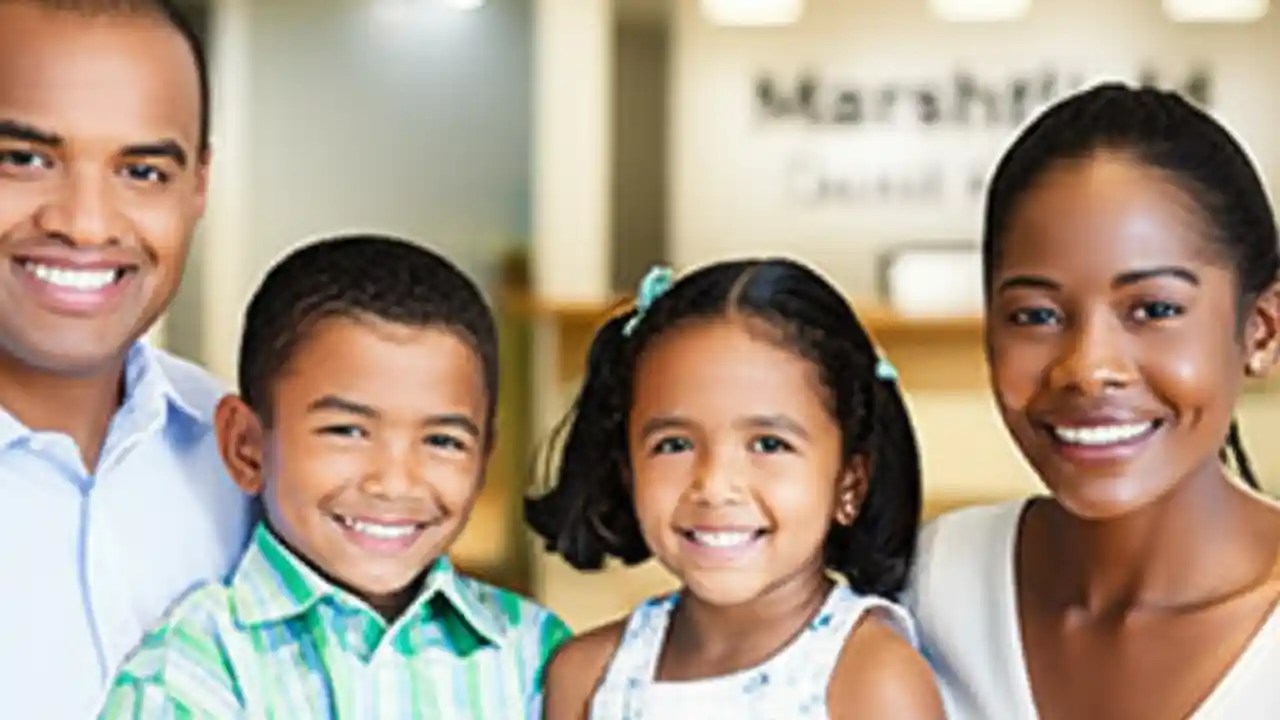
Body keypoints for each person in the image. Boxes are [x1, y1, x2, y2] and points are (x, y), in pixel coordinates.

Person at [905, 84, 1280, 719]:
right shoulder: (929, 587)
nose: (1088, 368)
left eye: (1155, 309)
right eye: (1036, 315)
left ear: (1261, 330)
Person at [100, 234, 573, 718]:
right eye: (347, 431)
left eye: (442, 441)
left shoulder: (535, 653)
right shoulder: (194, 668)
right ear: (247, 446)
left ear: (483, 461)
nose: (394, 483)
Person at [526, 260, 944, 719]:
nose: (714, 485)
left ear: (851, 481)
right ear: (627, 469)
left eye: (769, 444)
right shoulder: (587, 676)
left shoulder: (871, 678)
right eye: (674, 444)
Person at [0, 1, 253, 716]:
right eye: (24, 159)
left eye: (141, 171)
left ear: (198, 184)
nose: (84, 224)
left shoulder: (251, 463)